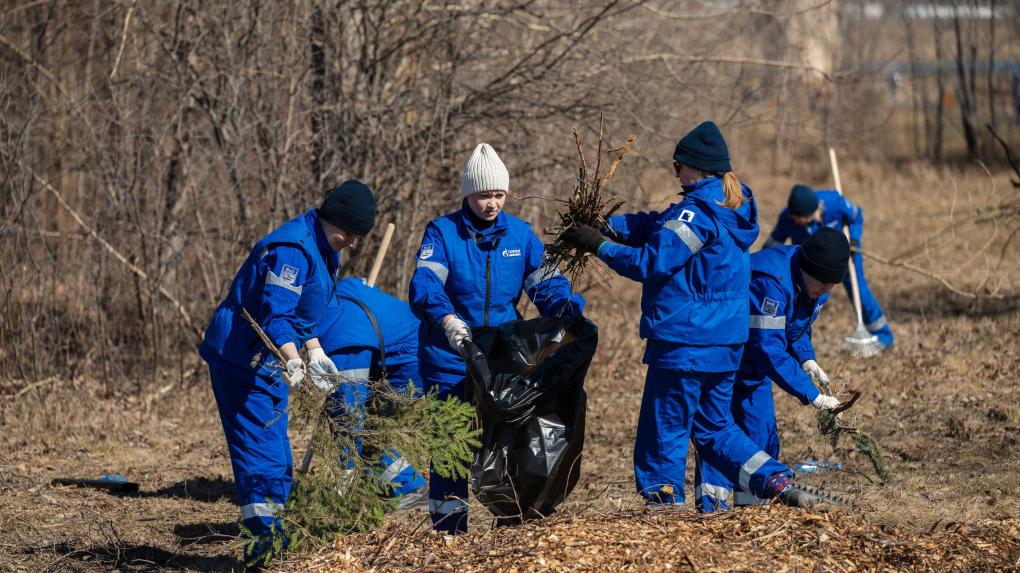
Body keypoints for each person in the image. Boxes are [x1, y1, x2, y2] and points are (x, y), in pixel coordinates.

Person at [563, 121, 829, 510]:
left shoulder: (696, 213)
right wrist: (610, 226)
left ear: (696, 168)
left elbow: (651, 261)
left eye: (678, 166)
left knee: (664, 433)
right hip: (725, 347)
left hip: (685, 345)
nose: (675, 173)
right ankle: (776, 481)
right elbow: (656, 225)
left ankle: (664, 517)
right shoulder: (728, 206)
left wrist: (597, 245)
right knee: (716, 428)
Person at [408, 142, 585, 533]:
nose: (492, 203)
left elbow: (545, 287)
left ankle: (511, 523)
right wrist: (447, 318)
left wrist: (567, 309)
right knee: (451, 446)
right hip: (450, 358)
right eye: (484, 194)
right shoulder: (442, 233)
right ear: (468, 192)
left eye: (499, 194)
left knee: (506, 444)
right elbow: (424, 284)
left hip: (503, 362)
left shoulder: (521, 236)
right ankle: (448, 531)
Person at [198, 181, 376, 563]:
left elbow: (302, 310)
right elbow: (276, 313)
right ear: (334, 220)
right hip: (242, 360)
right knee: (261, 457)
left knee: (279, 457)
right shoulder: (292, 250)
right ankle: (264, 553)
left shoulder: (326, 245)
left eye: (358, 237)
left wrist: (314, 351)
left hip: (269, 363)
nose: (352, 243)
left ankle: (276, 544)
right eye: (350, 234)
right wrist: (293, 358)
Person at [695, 227, 849, 511]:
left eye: (832, 286)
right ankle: (712, 510)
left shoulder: (817, 285)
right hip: (723, 365)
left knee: (762, 435)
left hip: (754, 372)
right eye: (824, 285)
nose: (826, 292)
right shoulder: (770, 283)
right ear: (808, 269)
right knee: (720, 438)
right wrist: (810, 394)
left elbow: (795, 326)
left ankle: (751, 510)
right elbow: (768, 348)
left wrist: (806, 359)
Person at [316, 277, 427, 509]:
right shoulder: (337, 290)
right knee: (359, 418)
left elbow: (348, 410)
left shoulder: (336, 331)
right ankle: (395, 484)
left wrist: (346, 468)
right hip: (406, 345)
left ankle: (405, 488)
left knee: (359, 421)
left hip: (411, 357)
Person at [764, 184, 892, 348]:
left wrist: (854, 239)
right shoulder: (787, 217)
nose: (795, 221)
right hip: (812, 269)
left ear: (811, 212)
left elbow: (856, 216)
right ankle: (793, 339)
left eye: (799, 218)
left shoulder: (835, 203)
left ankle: (882, 334)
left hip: (845, 256)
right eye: (793, 217)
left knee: (858, 290)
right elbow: (774, 242)